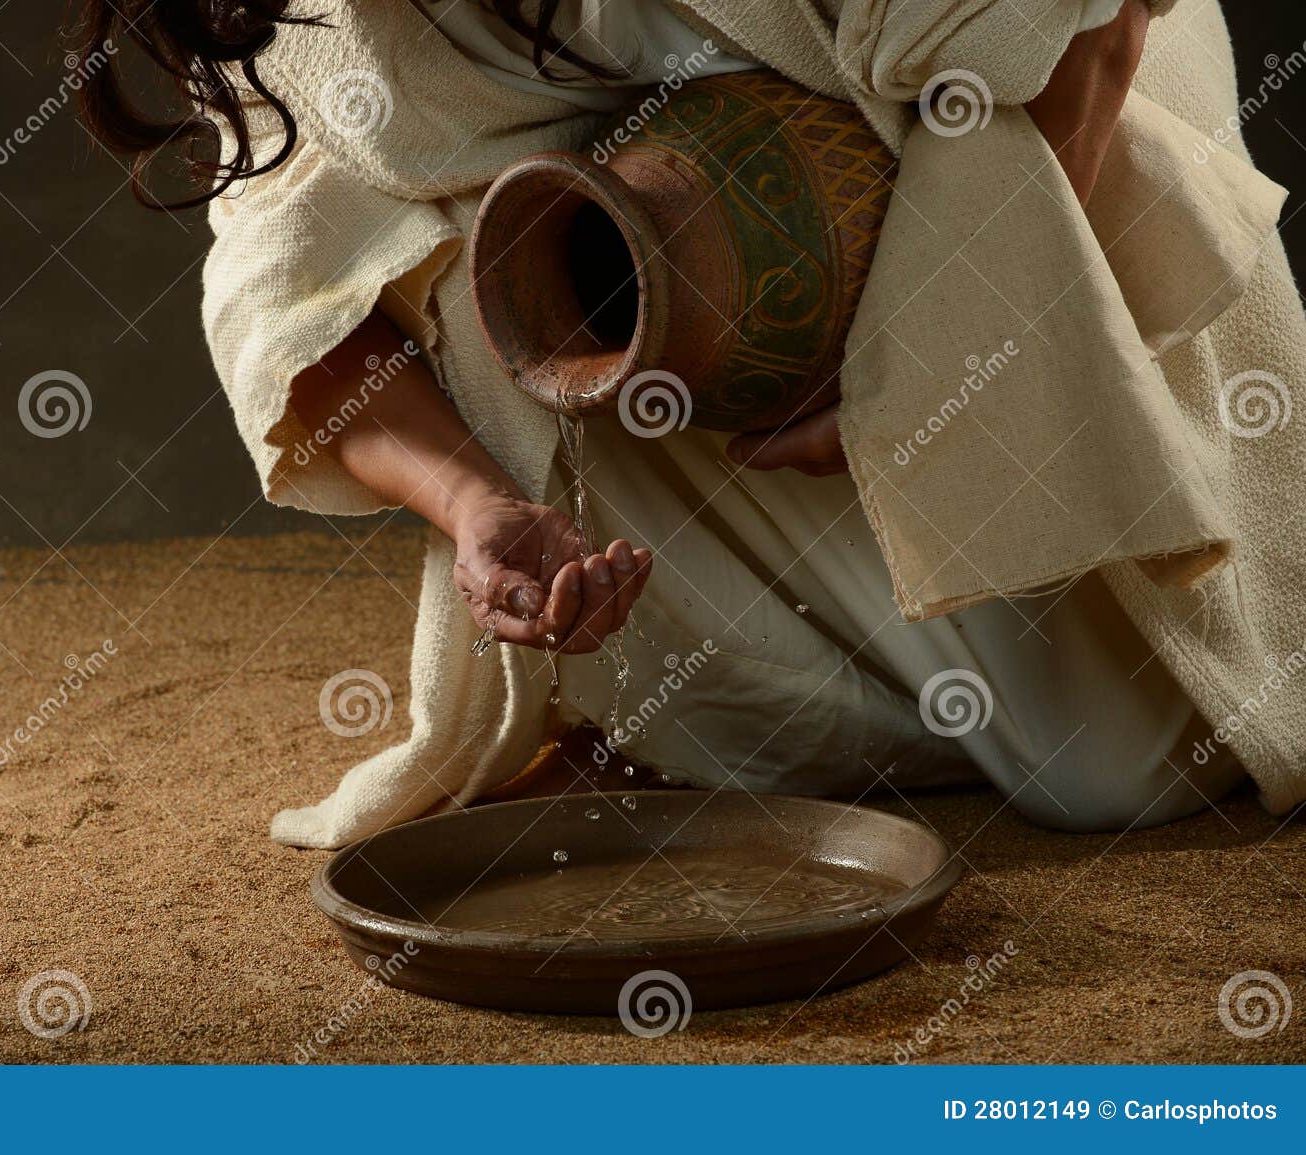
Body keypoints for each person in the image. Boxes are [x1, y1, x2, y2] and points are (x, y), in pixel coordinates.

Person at [77, 1, 1299, 847]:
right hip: (674, 315)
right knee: (482, 268)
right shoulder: (276, 19)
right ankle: (715, 693)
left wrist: (933, 367)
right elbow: (290, 269)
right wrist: (477, 506)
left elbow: (1084, 28)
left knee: (1113, 769)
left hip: (1007, 180)